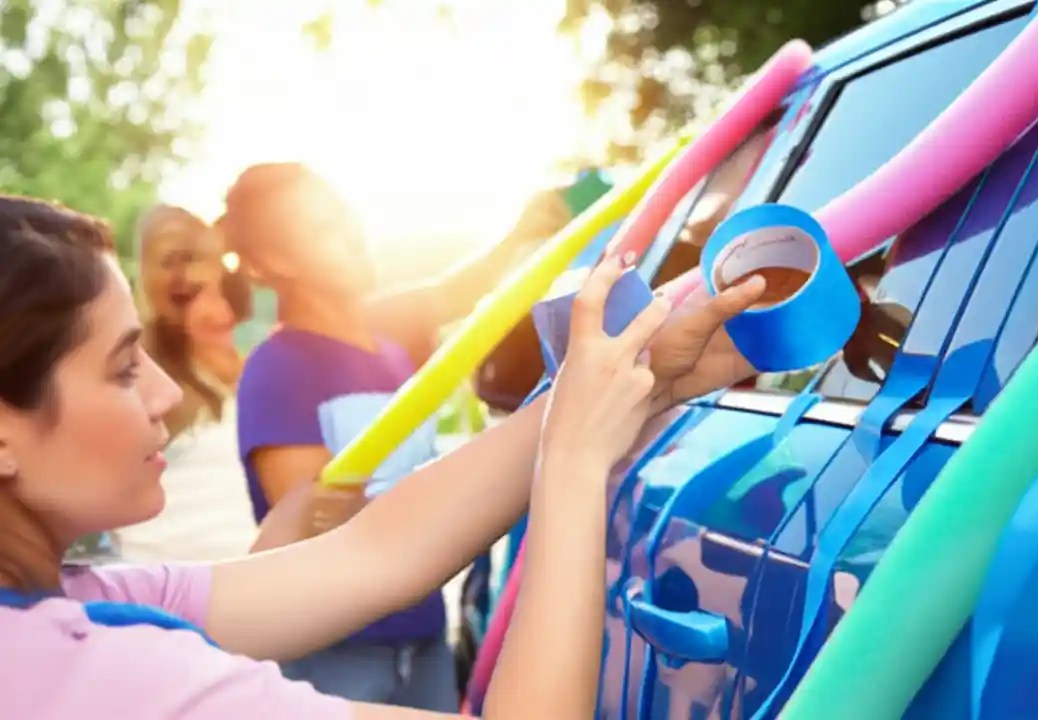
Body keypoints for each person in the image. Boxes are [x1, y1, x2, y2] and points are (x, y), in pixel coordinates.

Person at [0, 194, 767, 718]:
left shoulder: (79, 601)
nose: (166, 394)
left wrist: (638, 384)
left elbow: (375, 553)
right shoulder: (96, 675)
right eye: (123, 367)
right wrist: (574, 461)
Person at [109, 206, 259, 563]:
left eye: (195, 260)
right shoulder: (138, 367)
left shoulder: (239, 365)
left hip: (248, 567)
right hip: (167, 576)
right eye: (170, 261)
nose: (184, 275)